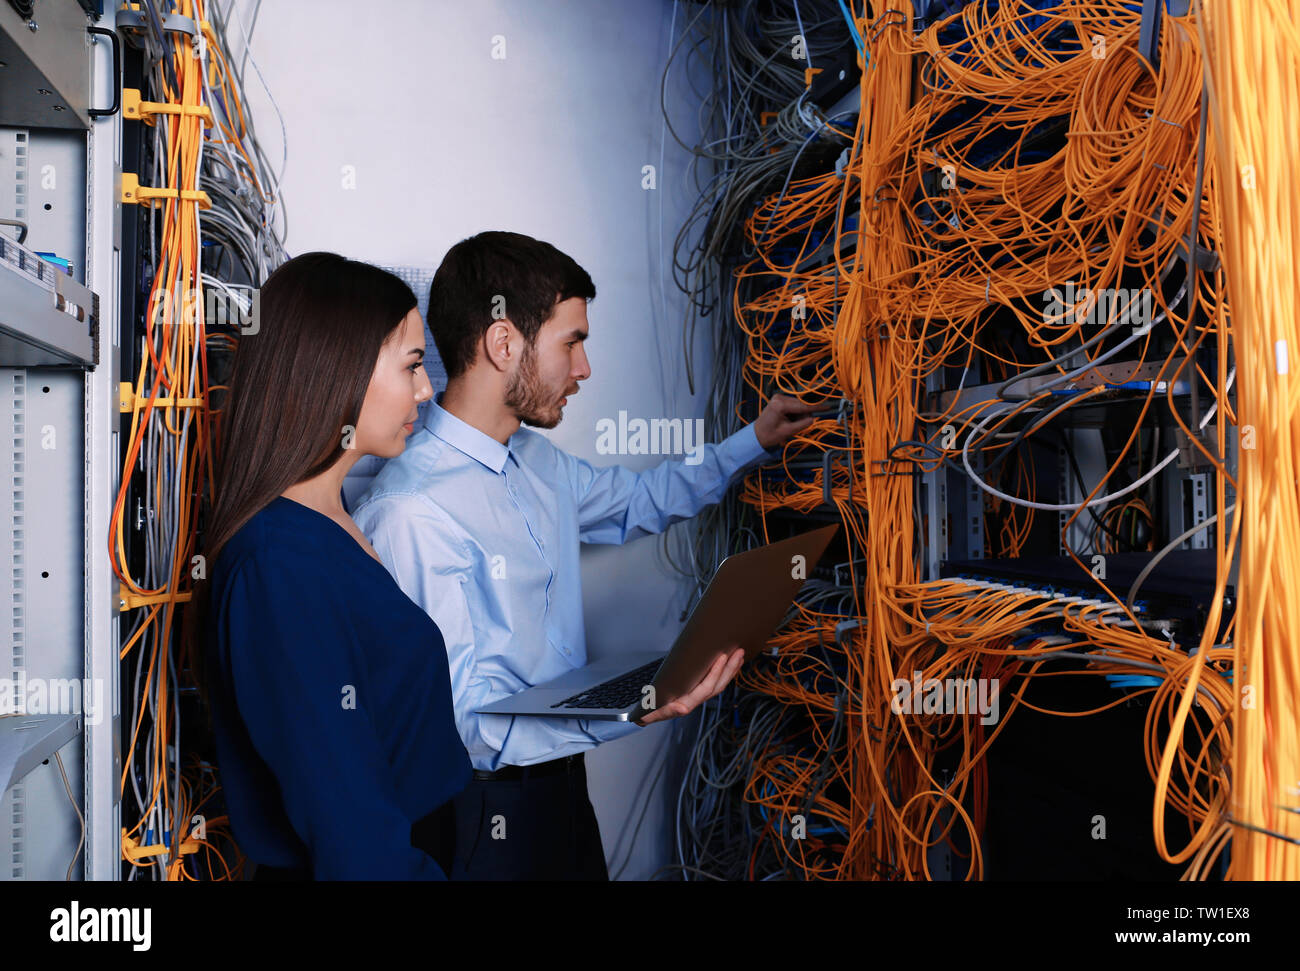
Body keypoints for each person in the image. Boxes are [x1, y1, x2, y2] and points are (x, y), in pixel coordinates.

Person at [352, 231, 816, 880]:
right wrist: (636, 704)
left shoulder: (540, 463)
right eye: (572, 342)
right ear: (503, 342)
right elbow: (467, 729)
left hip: (565, 795)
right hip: (485, 821)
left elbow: (641, 501)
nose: (584, 369)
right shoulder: (409, 510)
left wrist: (754, 440)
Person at [198, 251, 471, 880]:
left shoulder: (331, 523)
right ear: (337, 372)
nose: (427, 389)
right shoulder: (280, 566)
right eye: (411, 366)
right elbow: (351, 836)